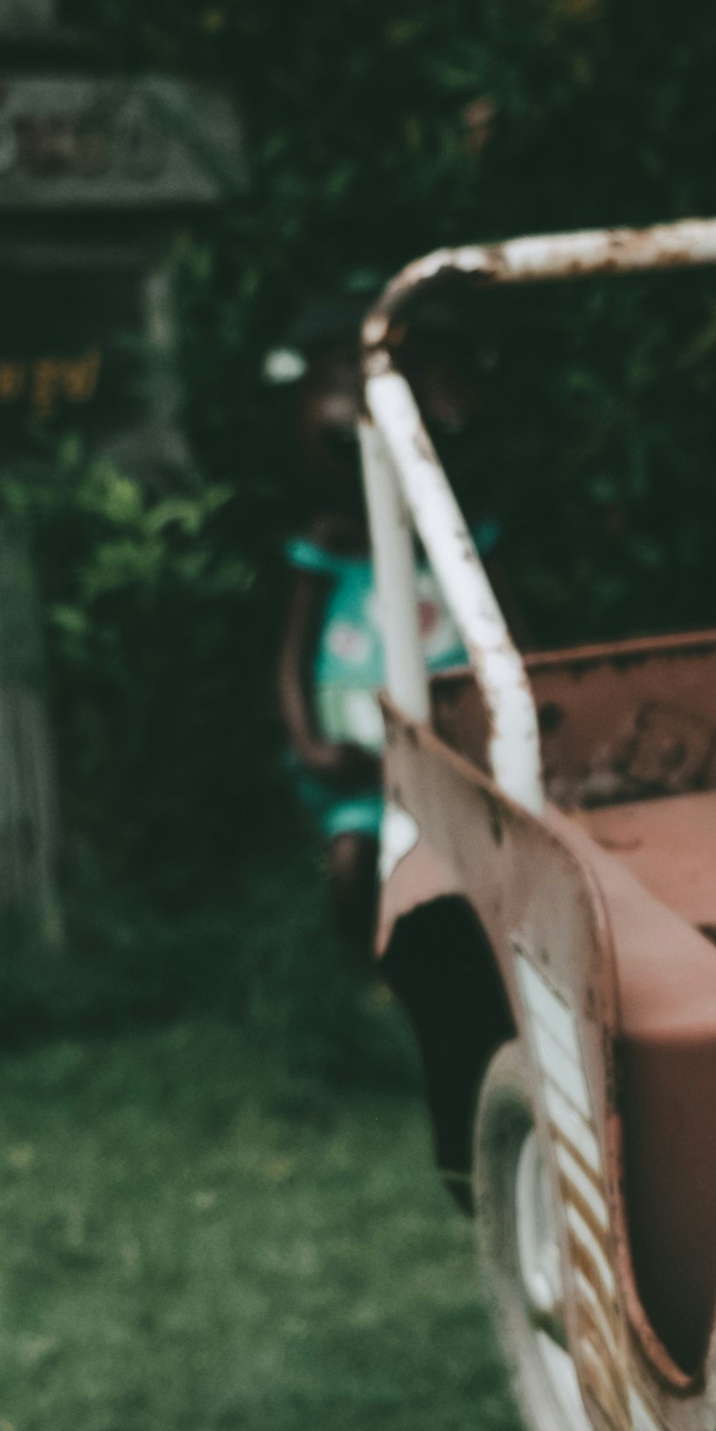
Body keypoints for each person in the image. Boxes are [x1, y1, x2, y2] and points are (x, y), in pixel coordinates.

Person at [271, 298, 471, 947]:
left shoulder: (457, 540)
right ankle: (364, 974)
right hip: (356, 761)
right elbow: (292, 657)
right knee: (355, 861)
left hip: (453, 754)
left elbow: (509, 642)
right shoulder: (322, 553)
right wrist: (309, 745)